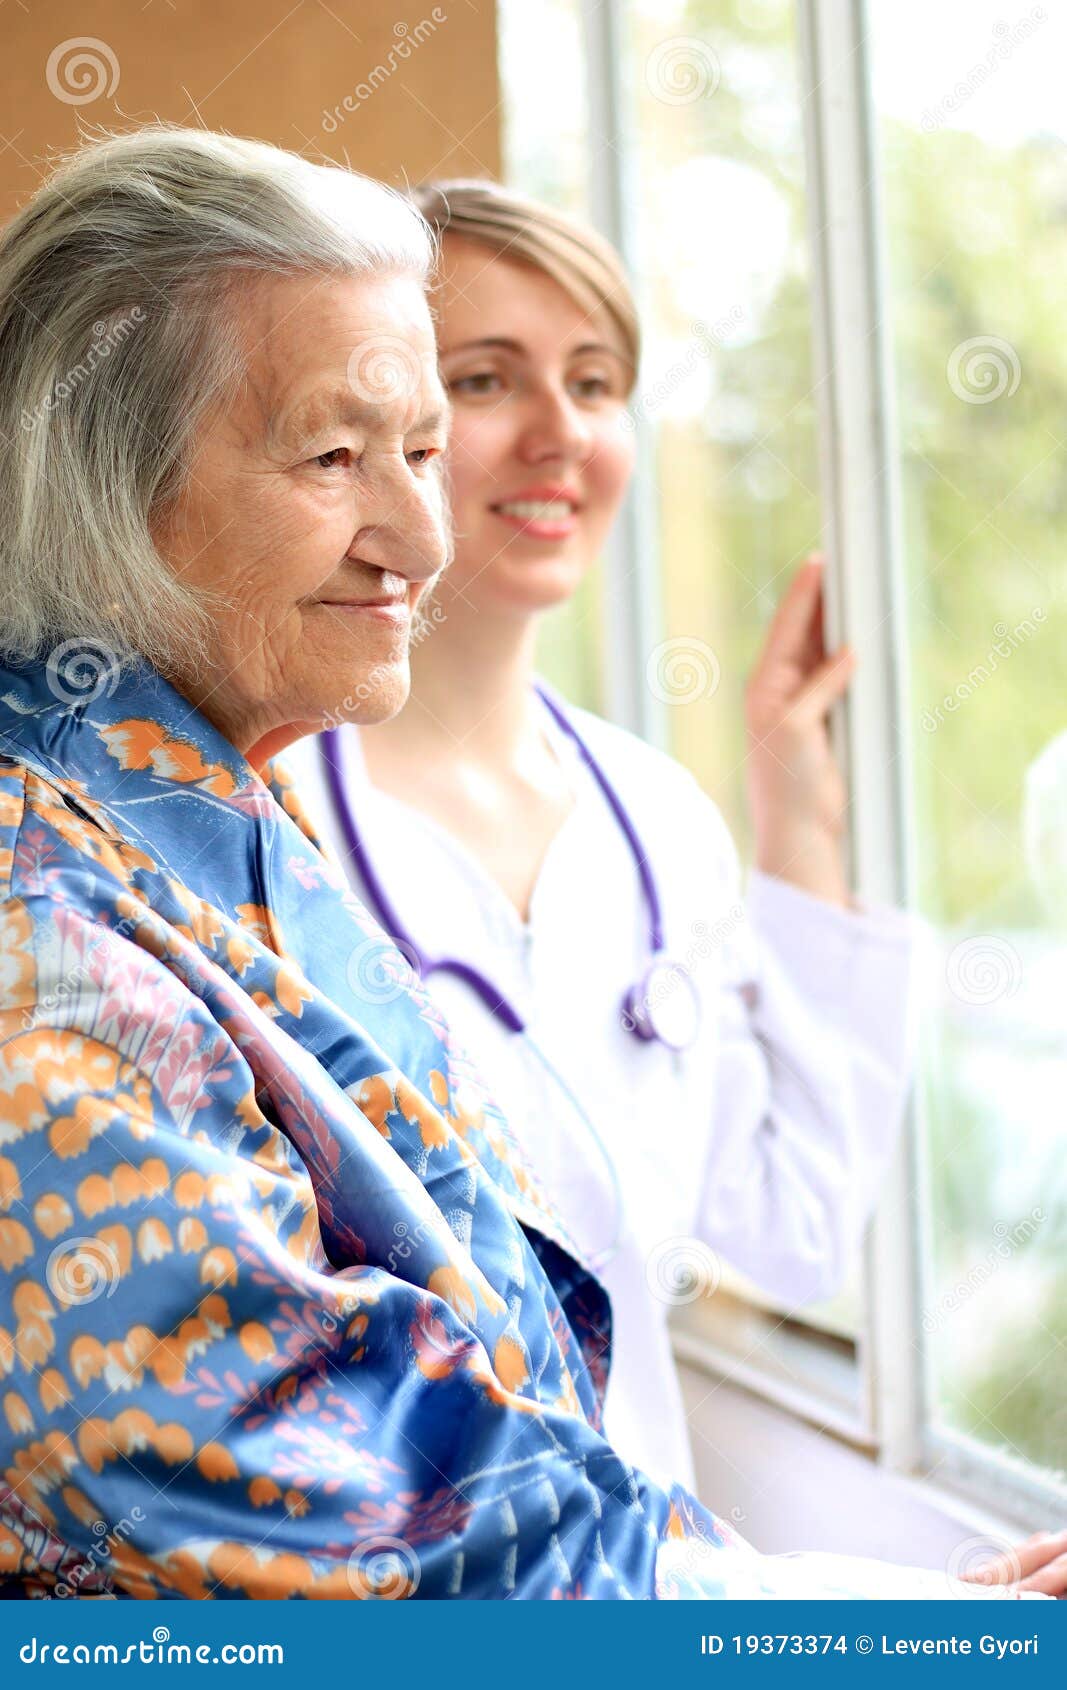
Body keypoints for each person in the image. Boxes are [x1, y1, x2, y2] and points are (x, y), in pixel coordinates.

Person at [0, 126, 1061, 1602]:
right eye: (336, 455)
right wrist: (917, 1631)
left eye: (423, 448)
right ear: (102, 483)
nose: (419, 535)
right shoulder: (43, 932)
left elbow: (776, 1238)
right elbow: (386, 1525)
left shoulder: (223, 815)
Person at [282, 180, 917, 1494]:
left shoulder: (657, 818)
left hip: (644, 1567)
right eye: (486, 379)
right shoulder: (262, 809)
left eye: (596, 382)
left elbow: (794, 1229)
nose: (561, 432)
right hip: (389, 1564)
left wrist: (799, 822)